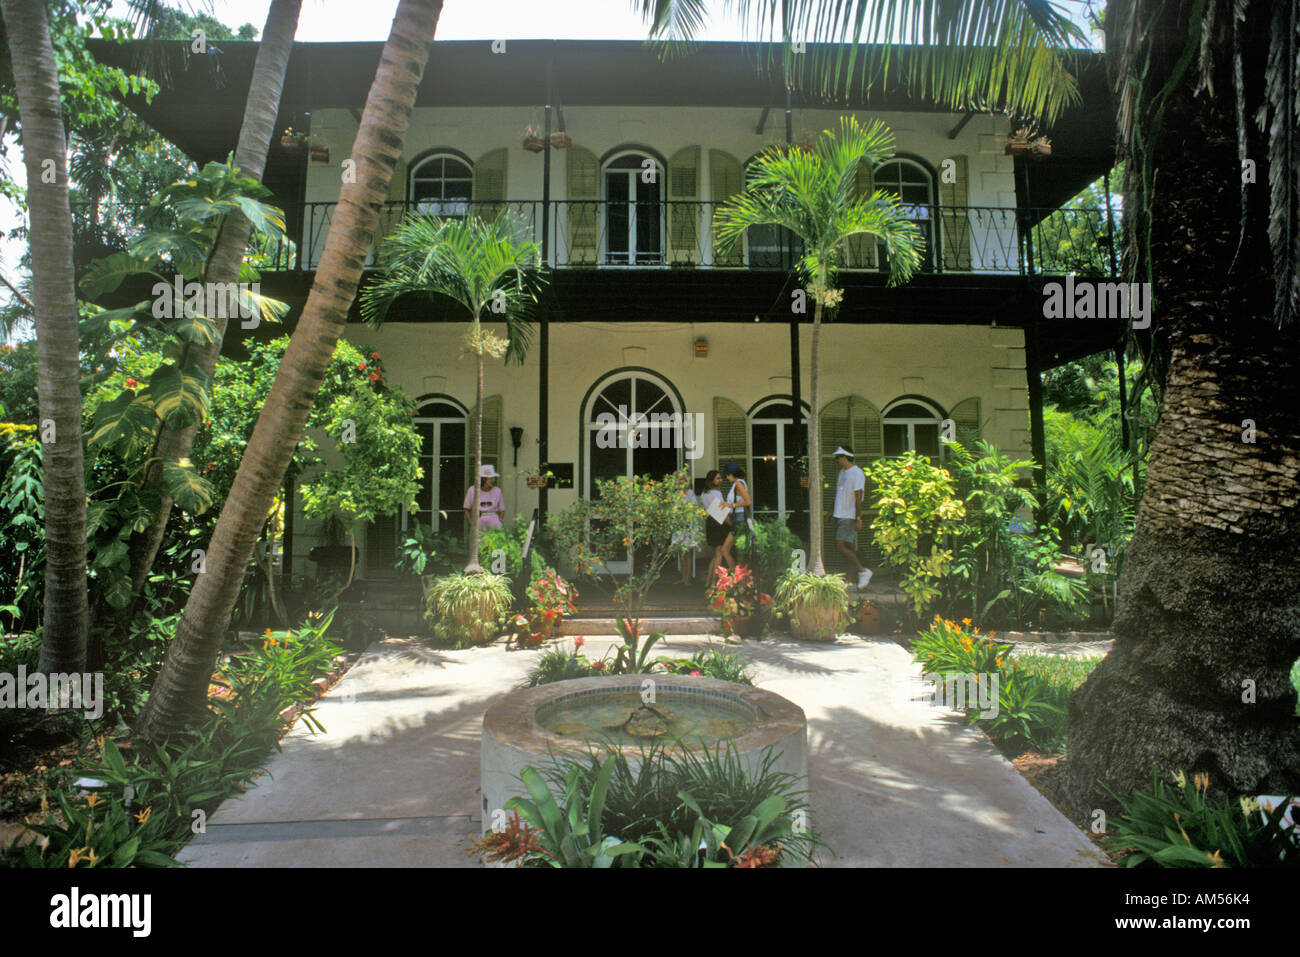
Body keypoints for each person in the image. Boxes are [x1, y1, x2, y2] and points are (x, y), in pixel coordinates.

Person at [825, 445, 871, 589]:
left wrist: (858, 518)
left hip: (848, 516)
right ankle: (850, 581)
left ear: (844, 457)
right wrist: (830, 512)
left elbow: (858, 498)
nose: (836, 460)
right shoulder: (842, 473)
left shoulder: (857, 473)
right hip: (840, 514)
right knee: (848, 548)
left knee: (840, 546)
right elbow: (838, 495)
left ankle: (863, 571)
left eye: (838, 458)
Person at [720, 461, 752, 571]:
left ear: (730, 474)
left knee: (725, 549)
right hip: (736, 520)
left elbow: (748, 502)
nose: (726, 478)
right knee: (739, 552)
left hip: (739, 520)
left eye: (726, 475)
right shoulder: (737, 483)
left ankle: (735, 576)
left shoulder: (738, 483)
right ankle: (738, 577)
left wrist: (730, 505)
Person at [701, 469, 729, 585]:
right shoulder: (716, 493)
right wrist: (730, 524)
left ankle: (708, 581)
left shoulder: (704, 494)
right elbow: (722, 511)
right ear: (711, 480)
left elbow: (704, 510)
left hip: (710, 522)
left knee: (715, 554)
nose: (721, 480)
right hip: (719, 523)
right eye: (718, 478)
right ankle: (713, 582)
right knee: (719, 555)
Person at [673, 477, 702, 585]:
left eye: (683, 480)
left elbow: (694, 507)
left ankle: (687, 579)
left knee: (688, 552)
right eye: (679, 480)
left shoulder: (690, 493)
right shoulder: (676, 493)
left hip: (688, 525)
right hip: (679, 526)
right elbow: (674, 508)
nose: (681, 482)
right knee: (681, 552)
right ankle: (683, 577)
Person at [464, 464, 505, 531]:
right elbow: (466, 509)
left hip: (494, 520)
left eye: (493, 478)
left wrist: (499, 521)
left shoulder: (497, 491)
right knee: (479, 541)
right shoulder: (472, 490)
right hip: (479, 520)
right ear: (484, 479)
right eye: (491, 478)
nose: (493, 480)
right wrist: (471, 524)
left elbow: (502, 509)